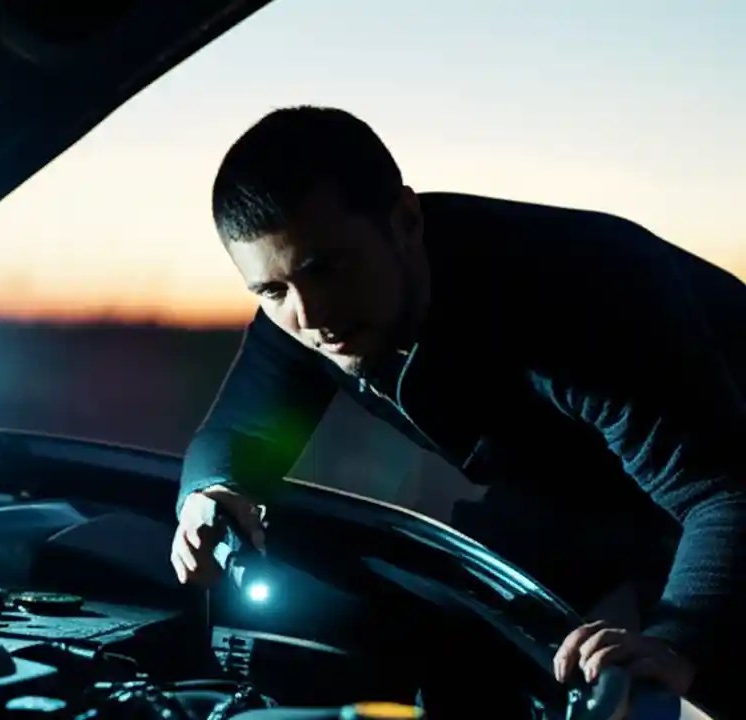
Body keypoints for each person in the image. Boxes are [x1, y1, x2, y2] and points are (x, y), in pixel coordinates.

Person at [170, 106, 744, 716]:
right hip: (593, 491)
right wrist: (214, 494)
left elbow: (723, 489)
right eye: (272, 290)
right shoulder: (307, 311)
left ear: (406, 220)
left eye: (326, 268)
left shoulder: (578, 291)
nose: (309, 318)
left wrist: (677, 640)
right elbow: (239, 434)